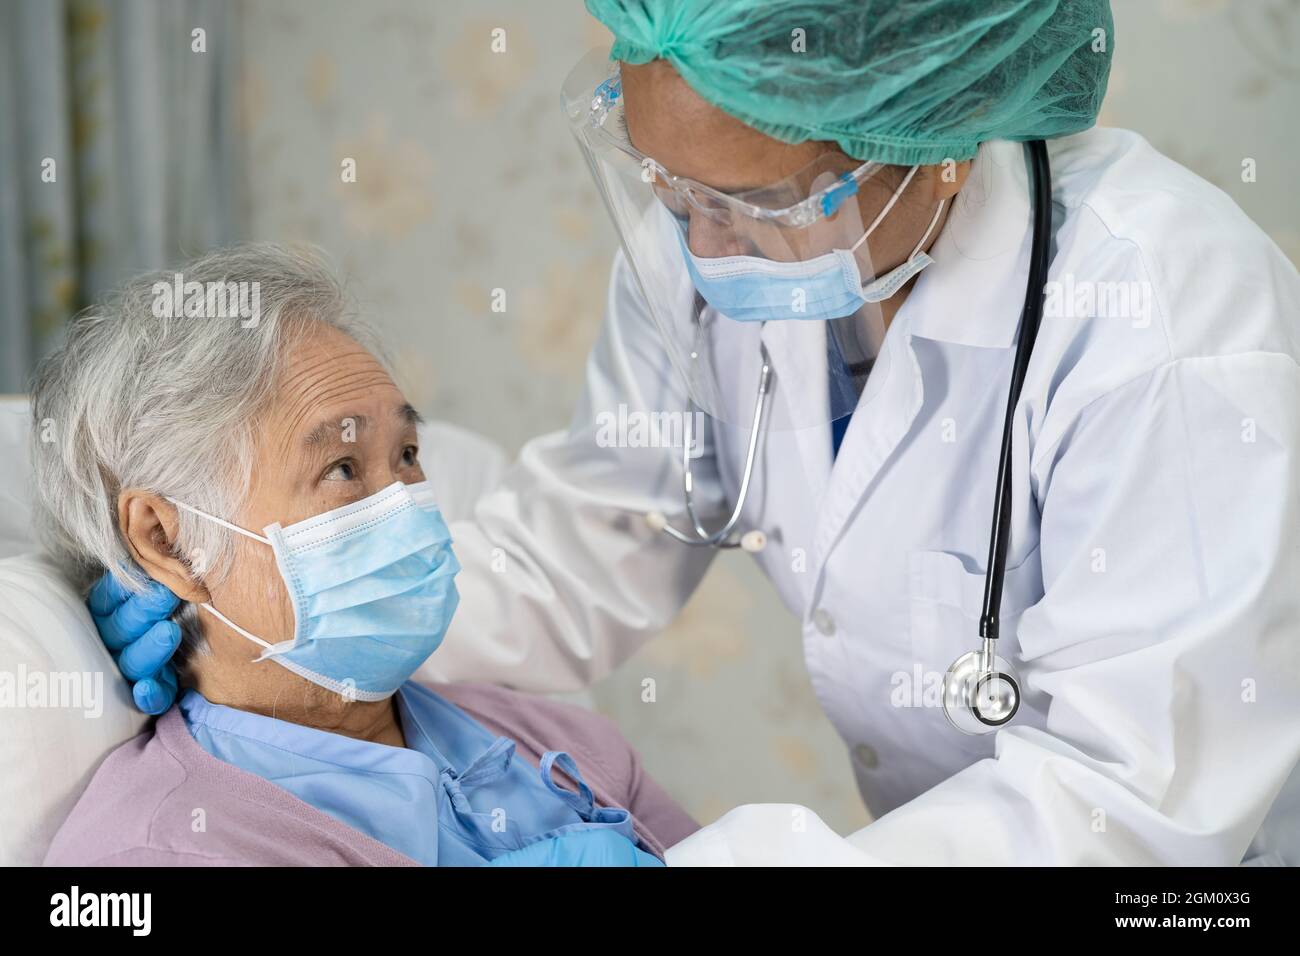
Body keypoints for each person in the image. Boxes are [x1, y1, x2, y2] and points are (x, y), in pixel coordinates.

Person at [94, 0, 1300, 865]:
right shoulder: (709, 259)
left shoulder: (1166, 319)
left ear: (933, 151)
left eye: (756, 201)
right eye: (671, 191)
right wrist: (276, 618)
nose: (701, 248)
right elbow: (581, 551)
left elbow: (1130, 806)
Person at [34, 243, 696, 866]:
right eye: (342, 467)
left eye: (407, 455)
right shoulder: (164, 850)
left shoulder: (564, 744)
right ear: (166, 540)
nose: (404, 505)